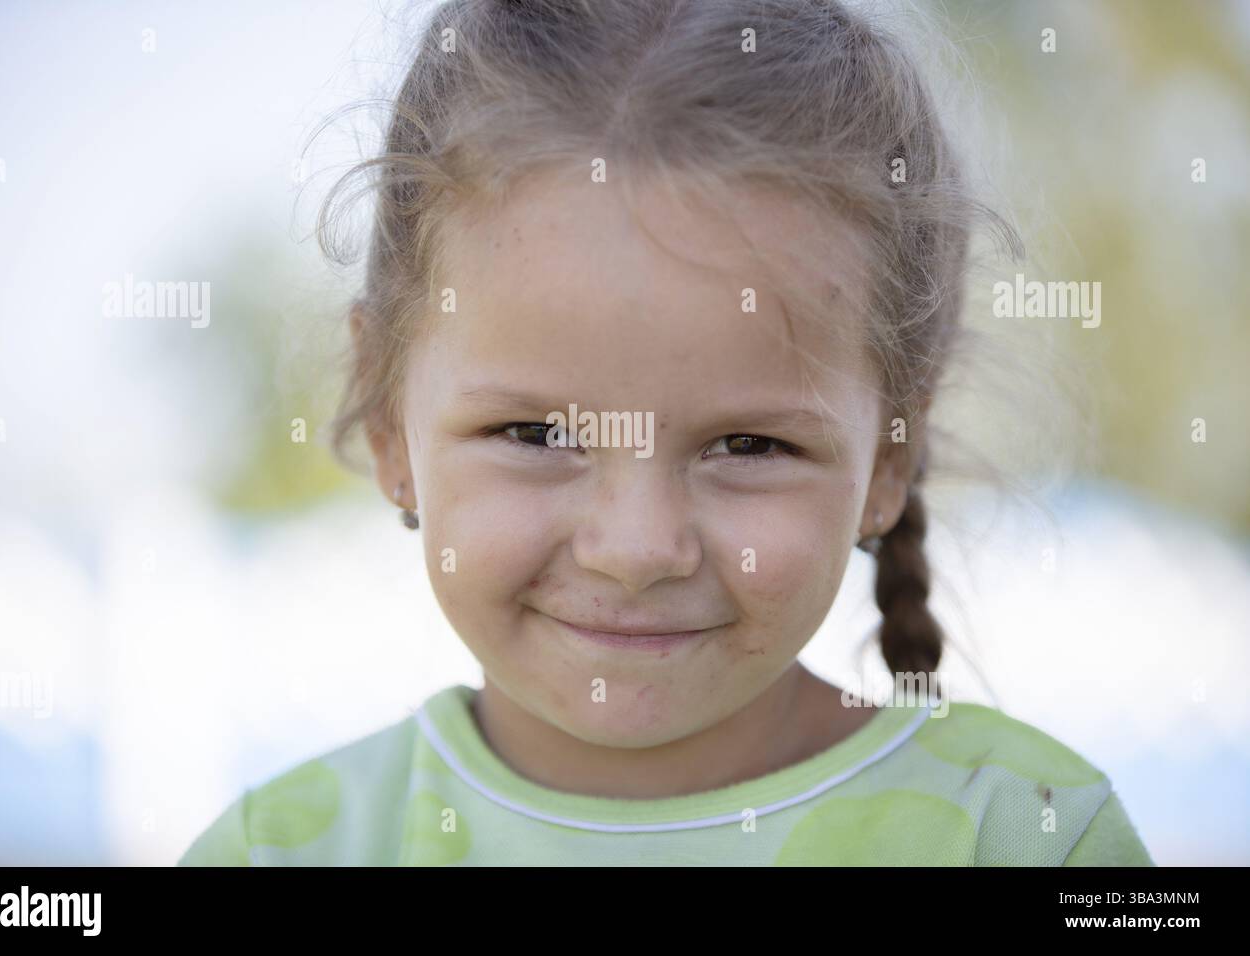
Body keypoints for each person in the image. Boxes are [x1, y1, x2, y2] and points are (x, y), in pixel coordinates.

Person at [179, 0, 1153, 866]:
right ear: (390, 417)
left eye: (747, 446)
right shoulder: (280, 848)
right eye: (535, 431)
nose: (637, 547)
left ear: (888, 458)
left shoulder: (1030, 834)